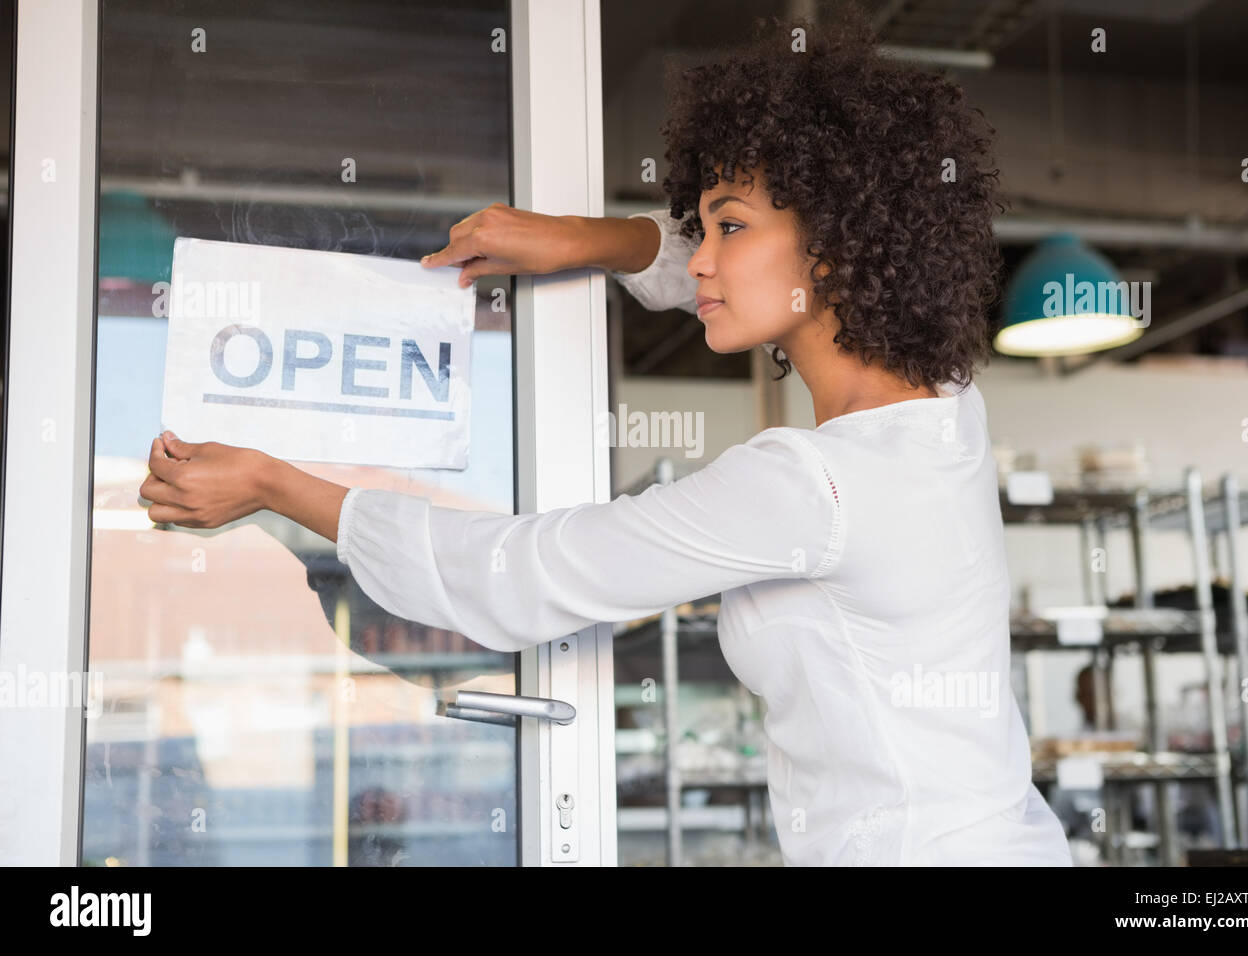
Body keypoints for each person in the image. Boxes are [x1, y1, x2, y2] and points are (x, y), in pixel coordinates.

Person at [137, 4, 1071, 865]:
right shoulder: (946, 406)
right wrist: (585, 239)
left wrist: (273, 483)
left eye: (728, 226)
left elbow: (524, 573)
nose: (699, 256)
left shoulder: (810, 486)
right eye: (699, 223)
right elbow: (702, 269)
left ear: (837, 243)